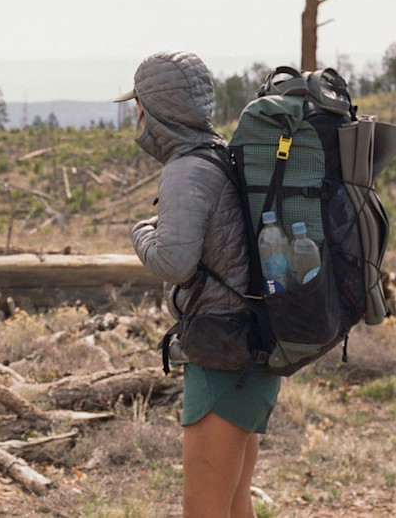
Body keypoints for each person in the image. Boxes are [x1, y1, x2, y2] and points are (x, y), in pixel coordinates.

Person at [114, 51, 280, 518]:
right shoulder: (221, 154)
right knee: (234, 502)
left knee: (204, 510)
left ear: (154, 109)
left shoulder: (186, 170)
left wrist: (140, 232)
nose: (137, 117)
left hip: (222, 354)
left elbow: (174, 261)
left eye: (139, 106)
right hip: (253, 349)